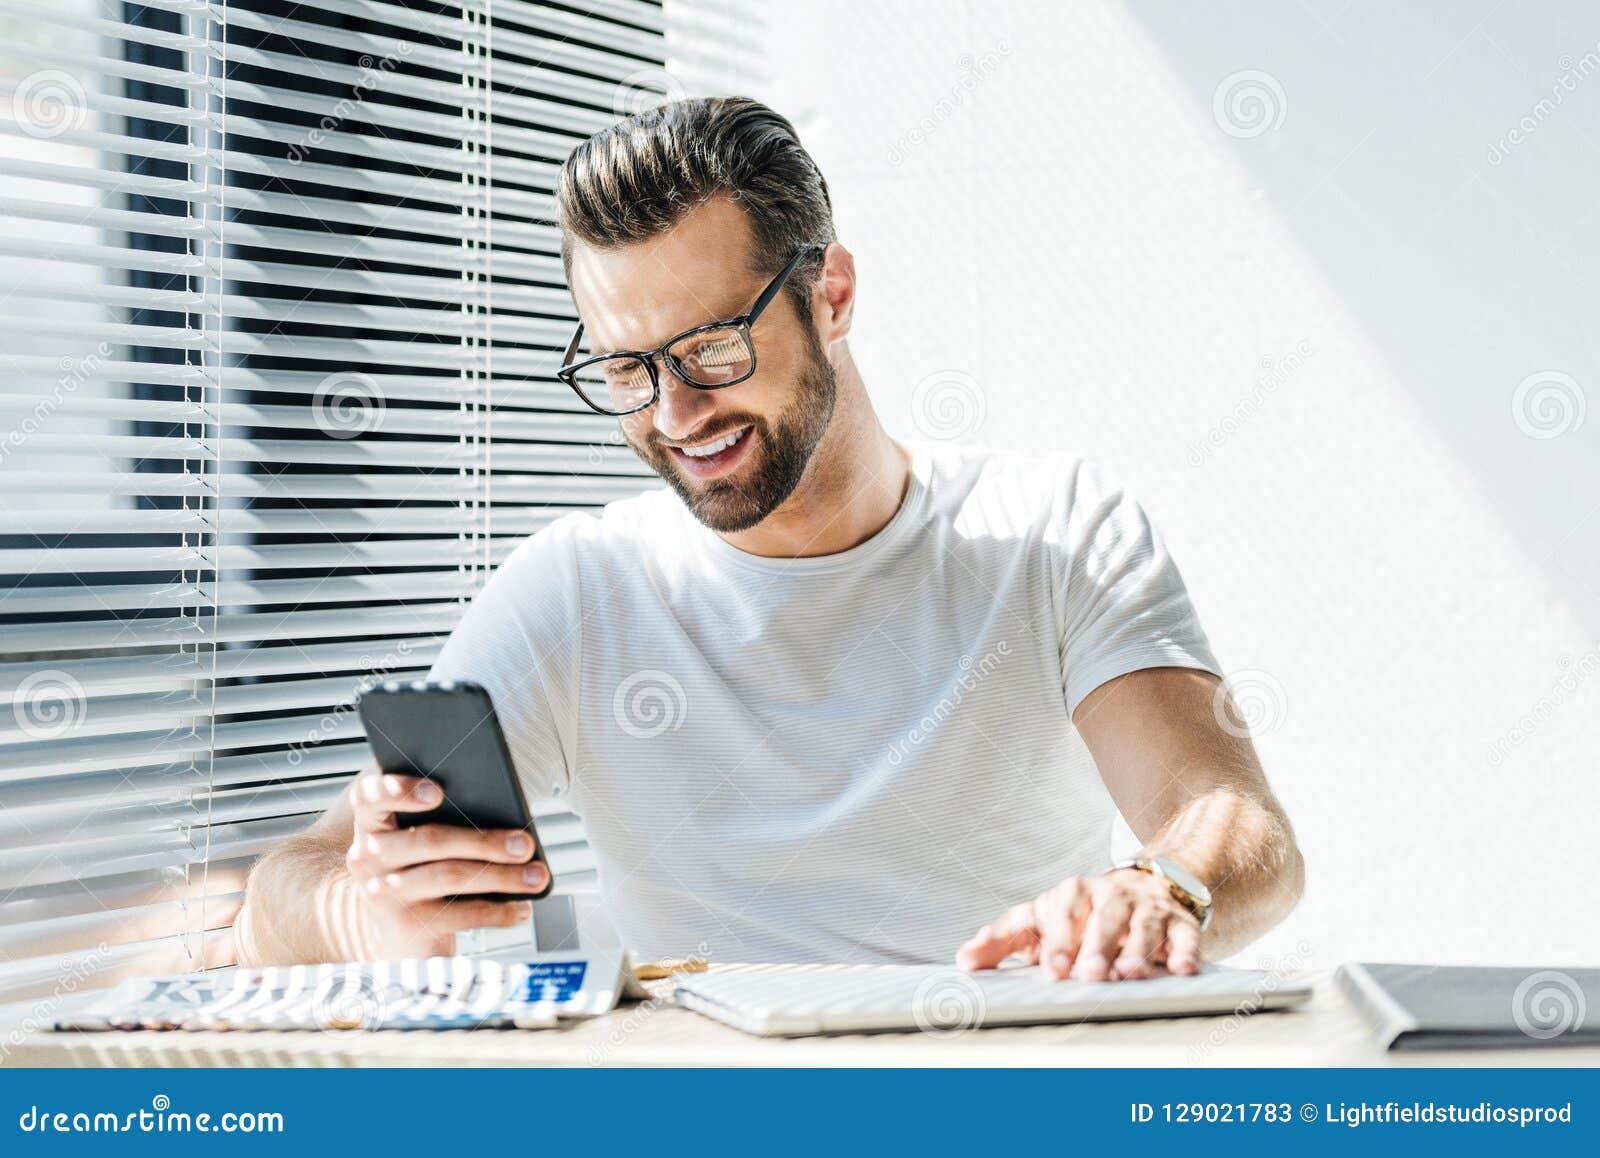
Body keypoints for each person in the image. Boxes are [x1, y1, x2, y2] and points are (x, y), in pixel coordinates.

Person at [236, 97, 1304, 982]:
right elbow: (295, 878)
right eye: (623, 369)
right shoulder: (577, 589)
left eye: (709, 348)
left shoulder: (1052, 531)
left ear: (829, 295)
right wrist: (354, 917)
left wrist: (1164, 888)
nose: (672, 415)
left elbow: (1232, 822)